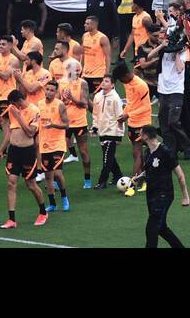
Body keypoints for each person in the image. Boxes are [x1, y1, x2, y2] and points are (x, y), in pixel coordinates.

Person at [0, 86, 48, 228]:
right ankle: (12, 219)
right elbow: (9, 132)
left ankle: (43, 212)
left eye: (12, 103)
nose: (10, 106)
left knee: (31, 184)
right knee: (11, 182)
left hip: (27, 152)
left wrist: (18, 116)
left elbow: (31, 132)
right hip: (13, 151)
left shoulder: (34, 111)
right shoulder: (13, 110)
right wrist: (0, 150)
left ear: (17, 101)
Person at [145, 22, 190, 158]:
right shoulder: (162, 50)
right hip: (163, 90)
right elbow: (149, 56)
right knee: (163, 122)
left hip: (176, 90)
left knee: (173, 121)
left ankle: (186, 144)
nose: (159, 38)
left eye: (162, 36)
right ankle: (172, 149)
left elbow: (179, 68)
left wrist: (177, 52)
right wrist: (162, 46)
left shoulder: (184, 51)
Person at [138, 125, 189, 248]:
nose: (139, 136)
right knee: (161, 228)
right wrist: (138, 177)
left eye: (140, 133)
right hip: (151, 194)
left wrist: (185, 197)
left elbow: (180, 175)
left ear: (145, 135)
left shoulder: (166, 151)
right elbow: (149, 171)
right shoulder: (147, 152)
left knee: (151, 228)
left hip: (163, 195)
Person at [114, 61, 154, 190]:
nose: (122, 82)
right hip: (132, 122)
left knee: (139, 153)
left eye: (121, 80)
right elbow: (131, 102)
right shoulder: (128, 84)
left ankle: (132, 183)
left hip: (143, 123)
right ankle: (144, 181)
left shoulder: (141, 85)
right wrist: (123, 115)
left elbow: (146, 107)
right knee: (138, 154)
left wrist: (128, 115)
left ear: (125, 75)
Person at [36, 78, 71, 214]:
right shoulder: (39, 105)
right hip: (44, 145)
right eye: (47, 89)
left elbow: (66, 124)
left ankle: (64, 198)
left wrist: (53, 125)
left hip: (58, 144)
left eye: (52, 90)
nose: (49, 92)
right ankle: (52, 203)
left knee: (57, 173)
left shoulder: (60, 105)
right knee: (48, 176)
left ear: (56, 92)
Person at [58, 58, 93, 188]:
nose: (78, 72)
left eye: (79, 70)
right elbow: (56, 102)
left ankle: (87, 179)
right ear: (68, 70)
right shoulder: (60, 83)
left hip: (79, 123)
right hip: (64, 123)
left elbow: (84, 104)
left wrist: (71, 98)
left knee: (83, 151)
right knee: (60, 152)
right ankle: (56, 182)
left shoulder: (82, 83)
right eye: (75, 70)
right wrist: (62, 99)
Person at [91, 75, 125, 189]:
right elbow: (95, 114)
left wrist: (120, 134)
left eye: (106, 81)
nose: (103, 83)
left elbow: (120, 117)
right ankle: (118, 176)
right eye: (103, 81)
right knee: (109, 157)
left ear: (112, 85)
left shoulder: (115, 98)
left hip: (113, 132)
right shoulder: (97, 97)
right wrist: (95, 127)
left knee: (106, 158)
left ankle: (102, 182)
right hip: (102, 131)